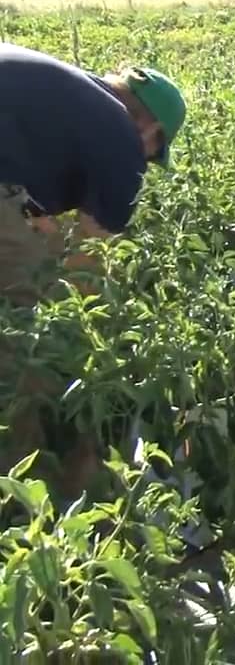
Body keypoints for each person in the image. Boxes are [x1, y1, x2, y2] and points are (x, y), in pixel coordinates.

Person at [0, 42, 187, 498]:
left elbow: (29, 197)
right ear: (150, 131)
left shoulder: (66, 94)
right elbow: (85, 276)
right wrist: (104, 354)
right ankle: (29, 494)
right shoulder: (122, 141)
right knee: (31, 336)